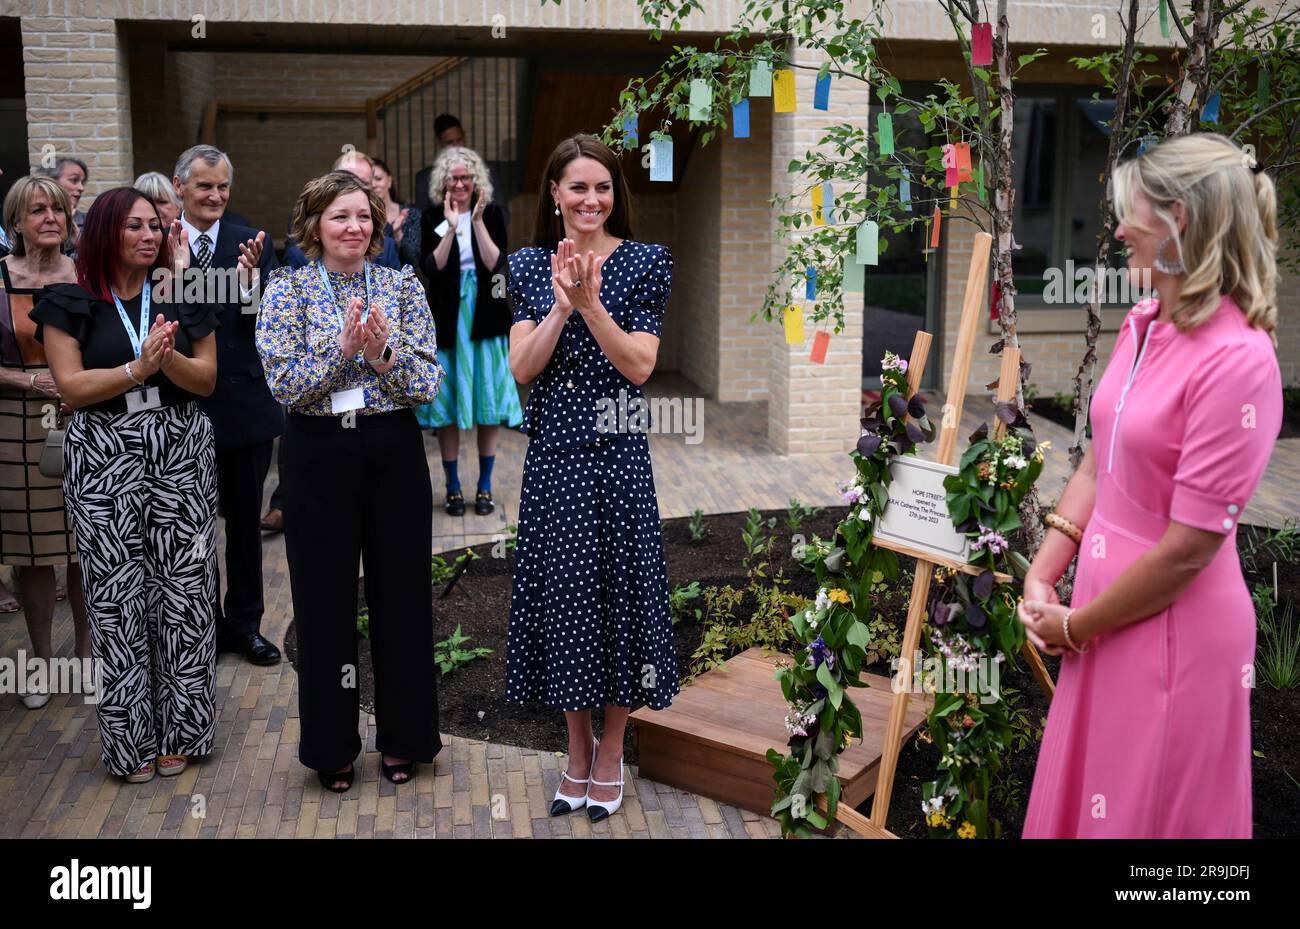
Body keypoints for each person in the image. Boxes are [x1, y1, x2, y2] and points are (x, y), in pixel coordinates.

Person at [1018, 133, 1282, 838]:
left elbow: (1187, 551)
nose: (1119, 227)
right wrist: (1045, 577)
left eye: (1131, 208)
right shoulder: (1144, 323)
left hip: (1172, 632)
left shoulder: (1237, 361)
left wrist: (1076, 624)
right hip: (1104, 623)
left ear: (1180, 221)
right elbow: (1100, 461)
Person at [505, 134, 679, 821]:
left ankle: (611, 752)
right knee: (567, 602)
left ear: (616, 195)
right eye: (577, 187)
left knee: (620, 601)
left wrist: (592, 304)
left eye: (602, 188)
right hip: (554, 458)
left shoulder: (645, 262)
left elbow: (638, 365)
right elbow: (522, 369)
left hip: (616, 459)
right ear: (554, 192)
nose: (590, 199)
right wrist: (558, 304)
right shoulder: (526, 265)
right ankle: (575, 752)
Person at [255, 170, 444, 792]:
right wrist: (343, 352)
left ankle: (405, 738)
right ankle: (332, 745)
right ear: (314, 226)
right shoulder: (285, 291)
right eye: (341, 217)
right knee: (324, 600)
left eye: (364, 216)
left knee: (403, 597)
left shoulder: (402, 285)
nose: (355, 228)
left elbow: (425, 385)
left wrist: (382, 354)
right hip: (318, 458)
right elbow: (285, 386)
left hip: (392, 451)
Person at [31, 186, 220, 783]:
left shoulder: (184, 292)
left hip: (179, 448)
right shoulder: (68, 300)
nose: (150, 235)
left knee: (183, 592)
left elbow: (208, 380)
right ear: (106, 232)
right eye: (135, 225)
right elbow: (72, 388)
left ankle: (184, 731)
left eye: (155, 226)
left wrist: (169, 365)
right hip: (103, 451)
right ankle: (129, 740)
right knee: (116, 598)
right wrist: (137, 369)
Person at [172, 144, 283, 666]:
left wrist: (249, 286)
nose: (215, 195)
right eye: (203, 186)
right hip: (178, 410)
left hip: (242, 409)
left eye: (222, 187)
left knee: (242, 526)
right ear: (179, 188)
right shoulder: (160, 242)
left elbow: (271, 325)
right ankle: (202, 627)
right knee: (190, 528)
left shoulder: (250, 243)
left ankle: (244, 625)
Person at [0, 175, 91, 706]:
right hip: (13, 426)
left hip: (82, 418)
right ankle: (38, 661)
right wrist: (29, 380)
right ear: (16, 222)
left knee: (83, 546)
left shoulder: (88, 278)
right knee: (31, 553)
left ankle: (84, 655)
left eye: (58, 209)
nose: (52, 219)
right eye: (38, 211)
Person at [417, 146, 522, 516]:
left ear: (475, 181)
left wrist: (475, 222)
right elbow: (430, 266)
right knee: (447, 405)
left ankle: (485, 485)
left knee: (487, 402)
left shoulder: (492, 213)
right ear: (443, 182)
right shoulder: (430, 216)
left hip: (486, 317)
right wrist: (450, 226)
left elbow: (497, 265)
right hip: (447, 319)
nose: (460, 184)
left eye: (466, 178)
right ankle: (453, 486)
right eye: (453, 178)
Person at [282, 151, 402, 271]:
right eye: (340, 217)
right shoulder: (292, 284)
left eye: (364, 183)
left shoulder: (397, 282)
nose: (355, 228)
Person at [413, 114, 510, 229]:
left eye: (459, 140)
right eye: (450, 142)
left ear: (464, 137)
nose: (456, 146)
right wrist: (454, 225)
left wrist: (477, 228)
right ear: (440, 143)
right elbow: (424, 221)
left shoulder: (488, 172)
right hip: (443, 240)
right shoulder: (424, 178)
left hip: (482, 238)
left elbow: (503, 215)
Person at [372, 158, 420, 270]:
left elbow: (414, 263)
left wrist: (398, 236)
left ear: (389, 181)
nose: (373, 184)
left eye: (378, 179)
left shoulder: (411, 215)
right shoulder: (363, 219)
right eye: (367, 181)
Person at [39, 157, 88, 254]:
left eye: (83, 182)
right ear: (51, 181)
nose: (81, 188)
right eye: (74, 180)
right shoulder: (31, 218)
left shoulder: (88, 221)